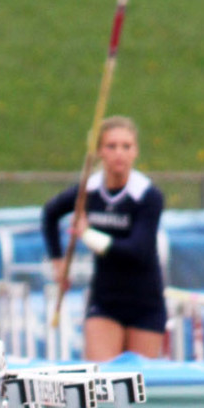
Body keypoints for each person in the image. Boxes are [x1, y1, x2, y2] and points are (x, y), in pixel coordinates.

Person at [42, 115, 167, 361]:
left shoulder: (147, 195)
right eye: (111, 146)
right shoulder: (88, 191)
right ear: (99, 151)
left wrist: (88, 234)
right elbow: (50, 213)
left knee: (140, 381)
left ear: (135, 151)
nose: (119, 153)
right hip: (105, 302)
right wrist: (58, 263)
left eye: (126, 146)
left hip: (145, 303)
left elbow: (136, 251)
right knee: (102, 377)